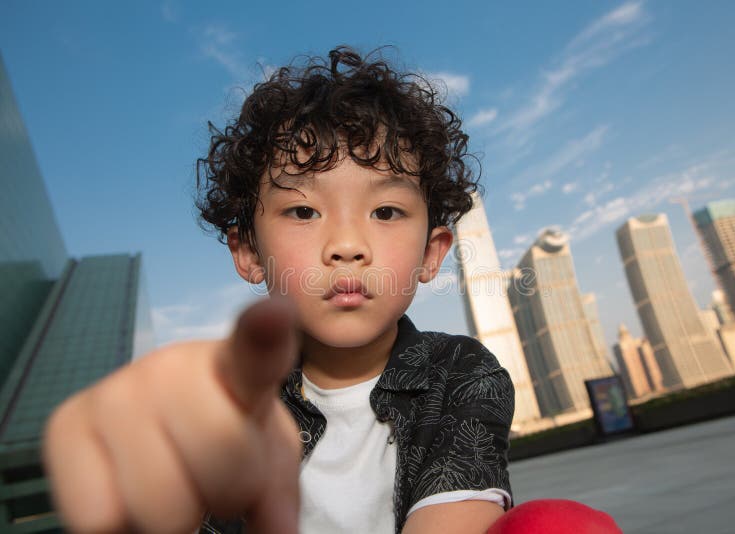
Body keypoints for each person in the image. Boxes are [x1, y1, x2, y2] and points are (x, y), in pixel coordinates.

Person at [43, 46, 621, 534]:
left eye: (386, 211)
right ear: (248, 252)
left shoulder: (462, 373)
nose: (346, 245)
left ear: (431, 253)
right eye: (302, 211)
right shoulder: (231, 407)